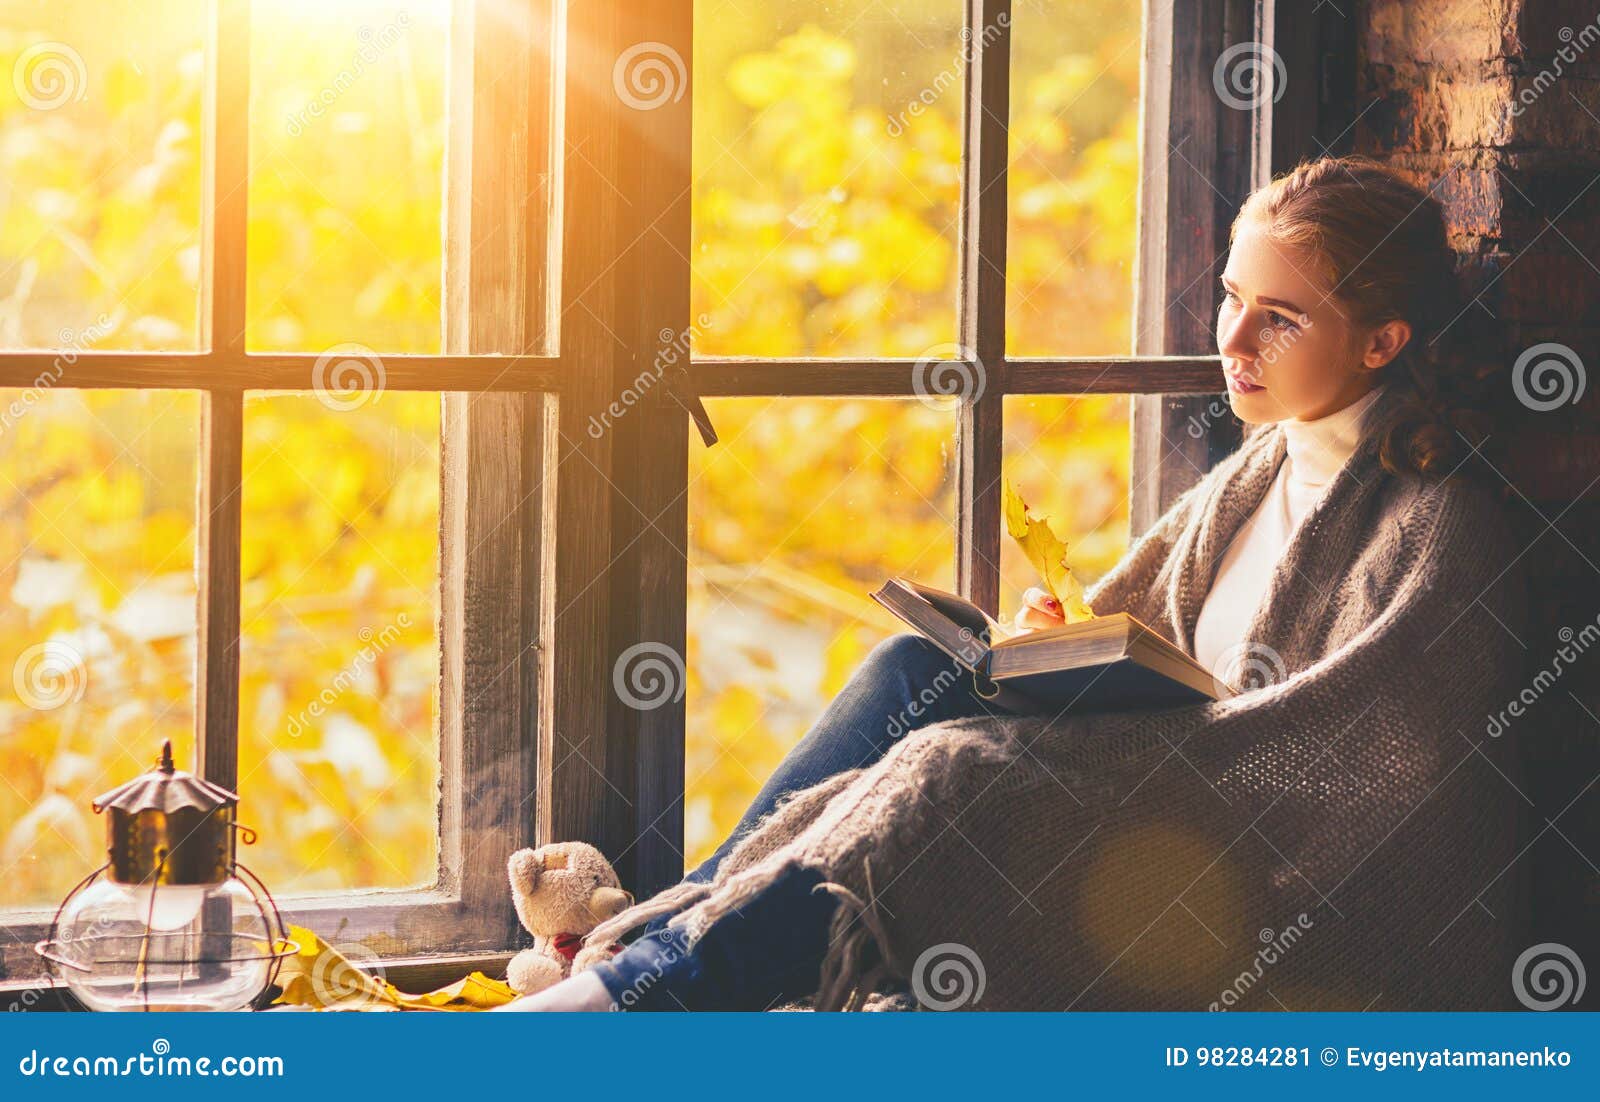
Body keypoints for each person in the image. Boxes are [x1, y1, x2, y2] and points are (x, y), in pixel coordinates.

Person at [498, 154, 1515, 1012]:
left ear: (1382, 341)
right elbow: (1156, 637)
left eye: (1280, 320)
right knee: (916, 669)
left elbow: (1368, 781)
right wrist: (1058, 646)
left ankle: (624, 995)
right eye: (1229, 299)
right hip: (1152, 776)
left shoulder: (1438, 524)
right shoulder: (1270, 463)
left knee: (946, 777)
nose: (1234, 342)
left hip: (1227, 860)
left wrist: (1147, 743)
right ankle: (659, 939)